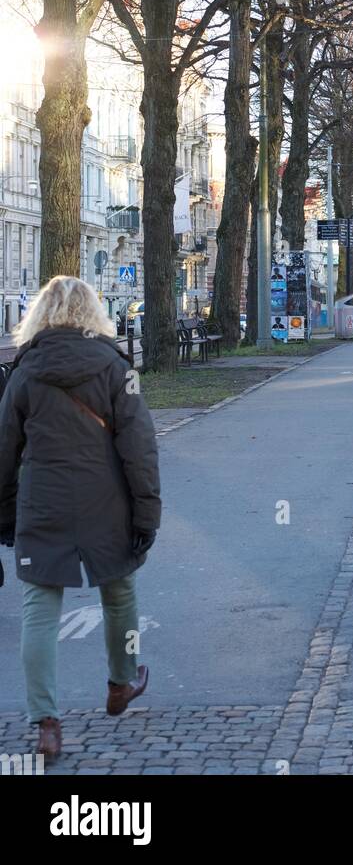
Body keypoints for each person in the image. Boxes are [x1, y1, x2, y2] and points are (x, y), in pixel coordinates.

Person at [0, 276, 161, 763]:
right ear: (94, 314)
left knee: (39, 612)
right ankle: (121, 681)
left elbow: (5, 451)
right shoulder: (116, 367)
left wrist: (5, 514)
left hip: (43, 502)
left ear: (40, 314)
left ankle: (46, 723)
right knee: (119, 593)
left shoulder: (24, 371)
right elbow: (139, 449)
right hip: (105, 502)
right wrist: (147, 513)